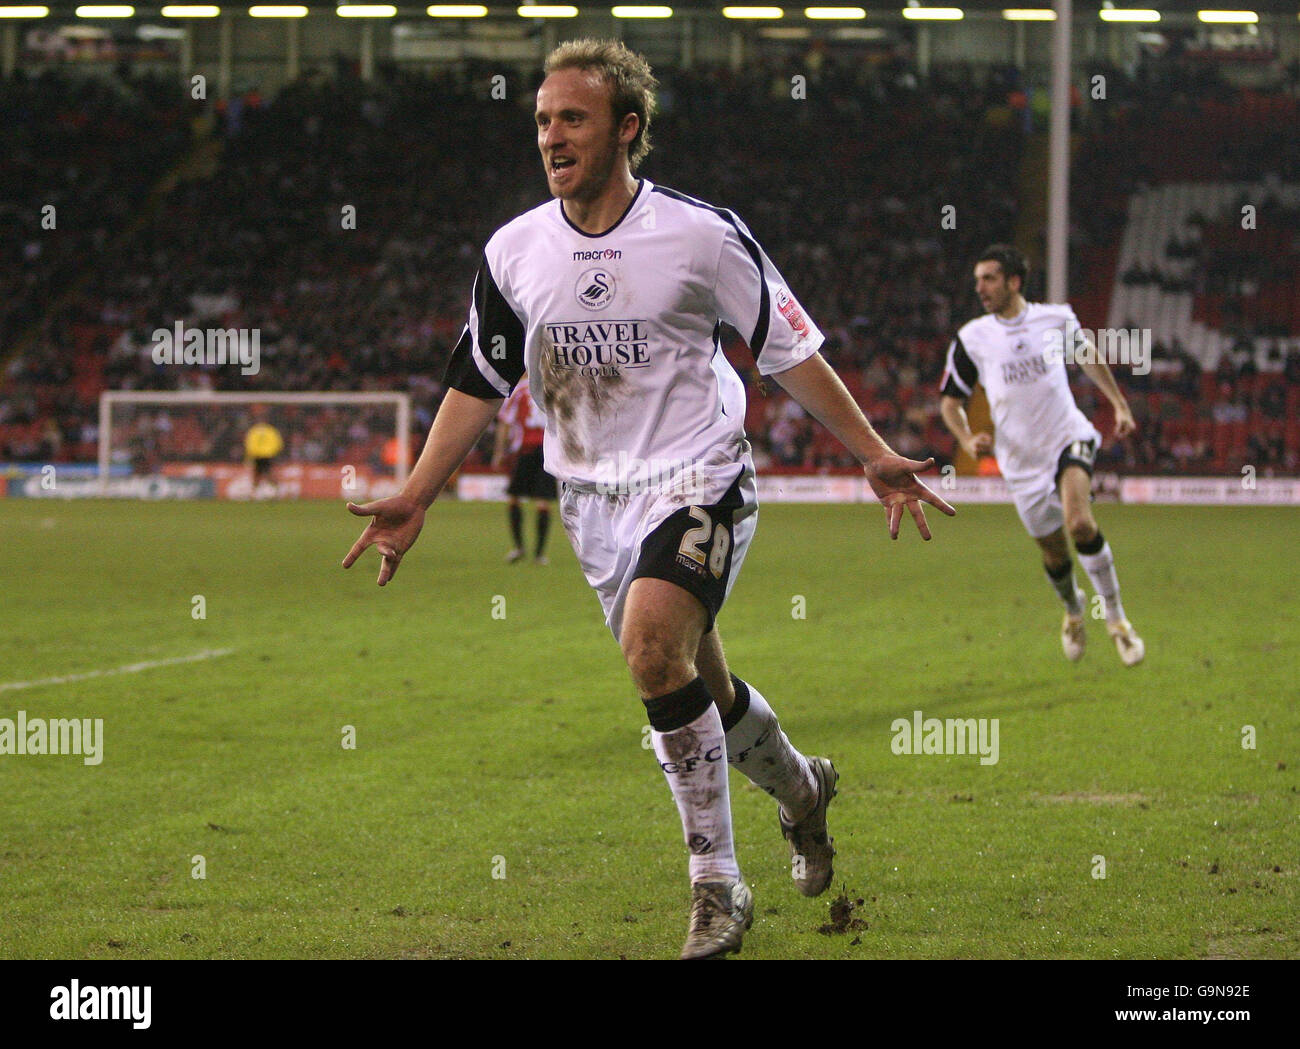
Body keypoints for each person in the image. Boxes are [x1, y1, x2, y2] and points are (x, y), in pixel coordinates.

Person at [343, 38, 954, 960]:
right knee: (693, 677)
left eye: (573, 118)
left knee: (649, 648)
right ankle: (803, 790)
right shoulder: (514, 251)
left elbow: (787, 350)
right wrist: (418, 493)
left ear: (627, 128)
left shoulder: (702, 235)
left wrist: (871, 452)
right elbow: (478, 377)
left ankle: (717, 885)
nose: (552, 135)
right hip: (592, 502)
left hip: (699, 478)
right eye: (543, 119)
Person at [939, 244, 1144, 666]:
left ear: (1014, 281)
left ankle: (1119, 622)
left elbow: (1088, 357)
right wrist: (965, 437)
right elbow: (949, 403)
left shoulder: (1055, 319)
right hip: (1020, 463)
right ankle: (1073, 611)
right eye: (977, 279)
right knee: (1053, 552)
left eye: (989, 278)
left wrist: (1119, 404)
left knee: (1080, 522)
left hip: (1067, 438)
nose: (980, 287)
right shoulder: (972, 338)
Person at [491, 380, 555, 564]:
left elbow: (505, 421)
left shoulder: (519, 390)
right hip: (547, 450)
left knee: (514, 498)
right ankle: (539, 554)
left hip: (525, 450)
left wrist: (499, 452)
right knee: (542, 502)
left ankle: (519, 548)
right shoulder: (550, 385)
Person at [244, 410, 283, 499]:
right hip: (266, 455)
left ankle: (254, 494)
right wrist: (273, 452)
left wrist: (250, 455)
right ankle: (275, 492)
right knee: (266, 474)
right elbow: (278, 443)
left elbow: (249, 444)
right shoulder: (271, 430)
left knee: (259, 475)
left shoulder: (253, 431)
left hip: (260, 455)